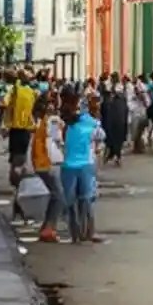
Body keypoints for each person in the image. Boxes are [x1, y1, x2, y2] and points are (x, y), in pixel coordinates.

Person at [60, 88, 105, 243]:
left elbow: (61, 141)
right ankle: (89, 232)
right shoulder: (88, 120)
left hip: (68, 165)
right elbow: (101, 135)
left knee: (71, 202)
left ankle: (75, 234)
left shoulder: (64, 121)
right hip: (86, 164)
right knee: (86, 199)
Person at [29, 101, 65, 243]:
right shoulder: (50, 122)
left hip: (41, 162)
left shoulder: (42, 123)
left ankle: (46, 226)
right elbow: (51, 143)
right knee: (58, 196)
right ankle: (49, 228)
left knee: (55, 195)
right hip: (47, 163)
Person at [4, 70, 38, 179]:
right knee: (21, 156)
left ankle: (13, 176)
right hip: (25, 129)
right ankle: (17, 179)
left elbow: (5, 102)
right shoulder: (32, 92)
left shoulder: (14, 90)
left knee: (15, 155)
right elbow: (34, 109)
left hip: (15, 128)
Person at [102, 77, 129, 166]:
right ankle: (116, 156)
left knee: (112, 139)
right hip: (119, 123)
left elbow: (105, 112)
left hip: (114, 123)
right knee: (117, 140)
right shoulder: (121, 99)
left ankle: (114, 156)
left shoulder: (110, 100)